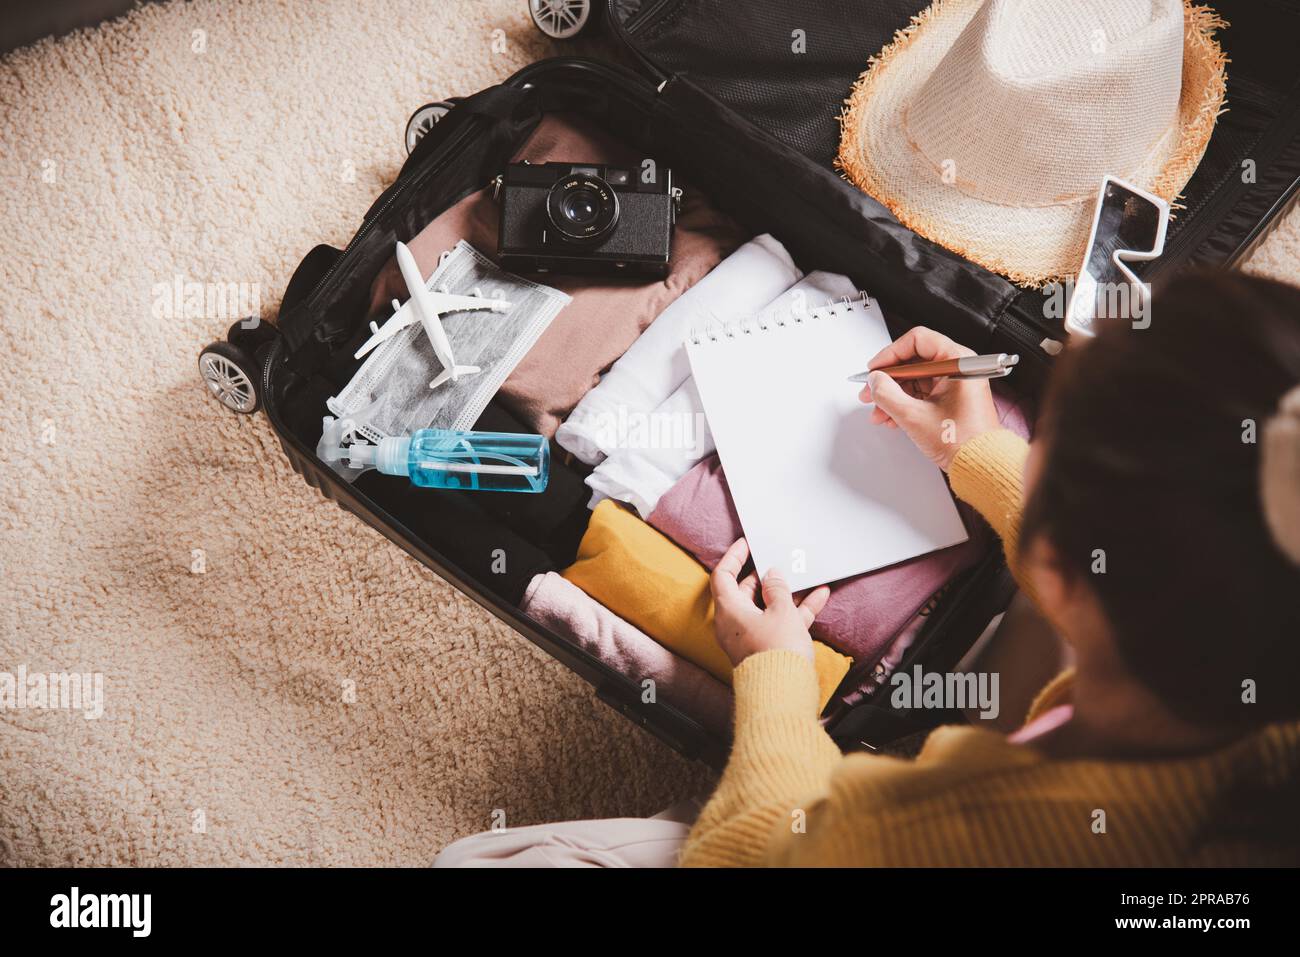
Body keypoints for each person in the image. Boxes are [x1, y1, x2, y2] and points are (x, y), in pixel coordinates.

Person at [436, 271, 1300, 867]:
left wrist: (774, 677)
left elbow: (770, 844)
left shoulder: (944, 830)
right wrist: (980, 449)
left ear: (1063, 574)